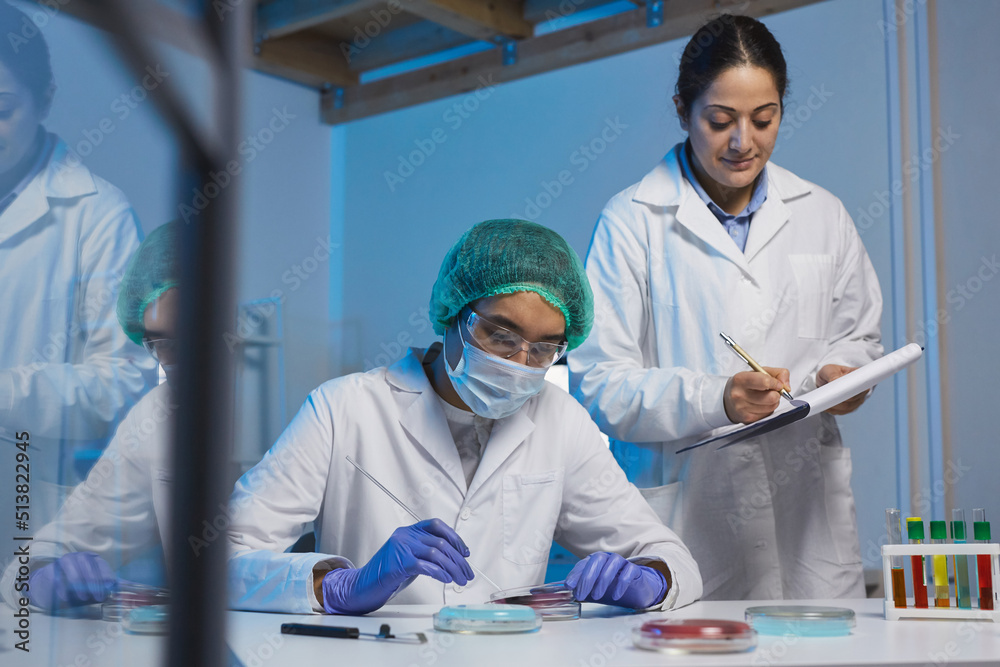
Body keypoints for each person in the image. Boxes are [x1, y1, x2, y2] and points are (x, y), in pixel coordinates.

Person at [227, 219, 703, 614]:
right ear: (454, 312)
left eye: (543, 350)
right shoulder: (342, 408)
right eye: (500, 335)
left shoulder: (562, 420)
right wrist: (339, 586)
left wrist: (651, 581)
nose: (518, 364)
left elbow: (673, 559)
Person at [568, 15, 883, 600]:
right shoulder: (632, 220)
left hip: (806, 521)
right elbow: (601, 384)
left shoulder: (823, 214)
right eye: (720, 121)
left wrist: (845, 375)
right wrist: (717, 398)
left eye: (764, 120)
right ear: (682, 108)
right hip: (688, 521)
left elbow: (857, 338)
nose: (744, 141)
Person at [0, 1, 156, 554]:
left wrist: (9, 390)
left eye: (2, 108)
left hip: (28, 508)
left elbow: (125, 382)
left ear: (43, 100)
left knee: (20, 632)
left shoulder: (97, 214)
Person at [1, 222, 180, 611]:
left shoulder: (327, 406)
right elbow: (55, 545)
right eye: (156, 344)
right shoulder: (157, 418)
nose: (171, 359)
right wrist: (43, 574)